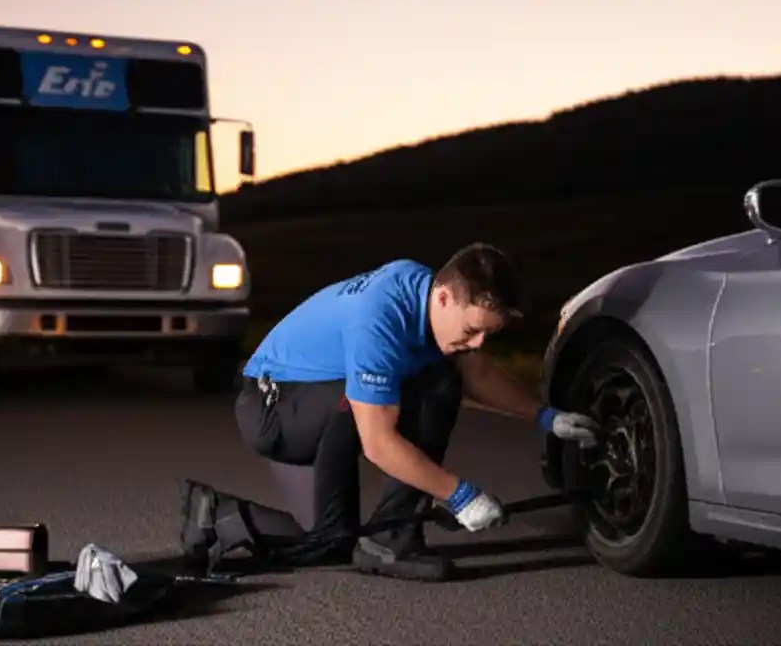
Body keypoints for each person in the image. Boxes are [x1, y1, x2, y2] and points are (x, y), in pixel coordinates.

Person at [180, 243, 599, 581]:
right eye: (472, 330)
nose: (476, 344)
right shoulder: (379, 320)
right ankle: (222, 514)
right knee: (411, 393)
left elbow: (478, 372)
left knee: (440, 382)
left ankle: (384, 538)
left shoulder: (428, 301)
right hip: (270, 407)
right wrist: (460, 495)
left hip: (316, 398)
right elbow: (378, 443)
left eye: (488, 334)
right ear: (444, 296)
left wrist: (548, 418)